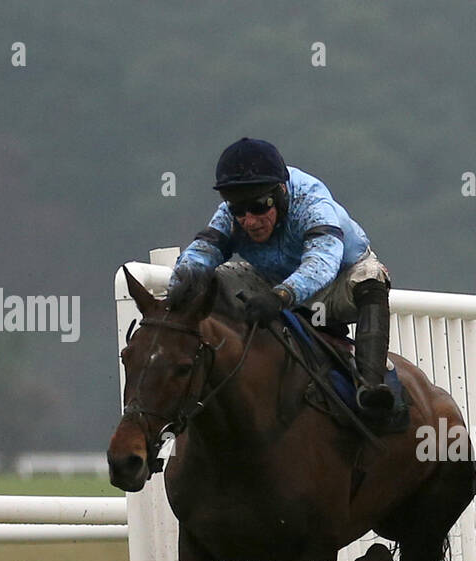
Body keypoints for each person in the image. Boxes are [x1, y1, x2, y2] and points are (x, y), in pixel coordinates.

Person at [168, 138, 395, 415]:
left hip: (337, 279)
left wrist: (281, 296)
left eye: (260, 206)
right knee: (211, 280)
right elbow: (200, 255)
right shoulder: (229, 215)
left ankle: (370, 386)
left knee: (372, 278)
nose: (249, 220)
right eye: (238, 209)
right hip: (273, 281)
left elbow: (322, 262)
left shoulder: (311, 202)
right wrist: (176, 291)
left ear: (282, 193)